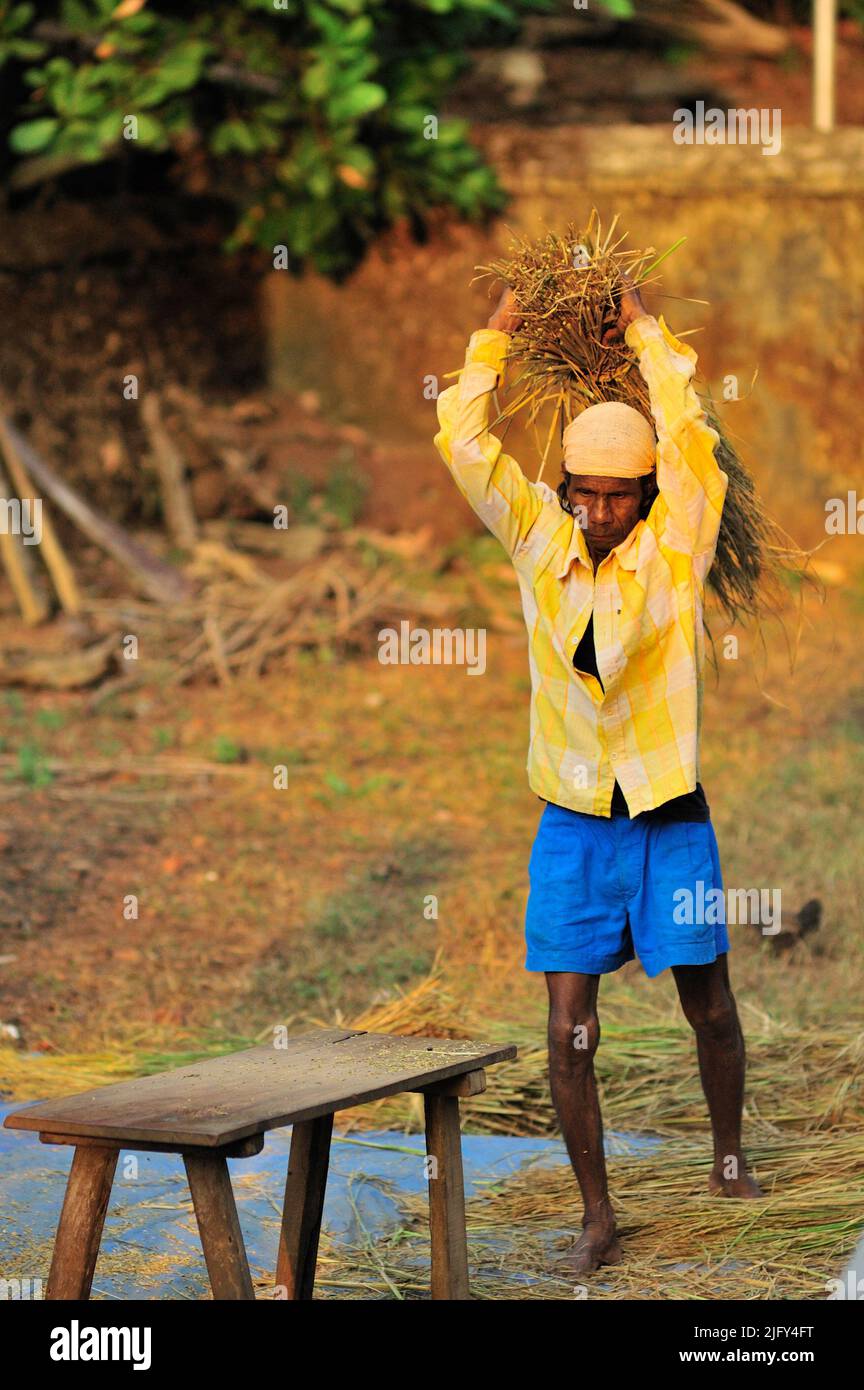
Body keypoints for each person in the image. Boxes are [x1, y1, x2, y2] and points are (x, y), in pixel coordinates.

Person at [433, 275, 762, 1276]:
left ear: (646, 495)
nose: (602, 512)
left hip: (673, 821)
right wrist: (492, 340)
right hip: (573, 825)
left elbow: (698, 443)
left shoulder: (676, 549)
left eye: (622, 495)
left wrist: (649, 336)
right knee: (568, 1022)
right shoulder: (540, 541)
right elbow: (466, 448)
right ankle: (597, 1212)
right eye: (589, 493)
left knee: (708, 1001)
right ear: (568, 487)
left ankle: (728, 1152)